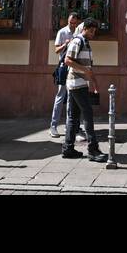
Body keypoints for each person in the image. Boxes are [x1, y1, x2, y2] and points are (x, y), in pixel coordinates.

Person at [60, 18, 108, 163]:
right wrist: (85, 71)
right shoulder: (77, 41)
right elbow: (67, 60)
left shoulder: (86, 43)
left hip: (79, 83)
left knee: (73, 117)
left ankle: (68, 148)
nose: (93, 33)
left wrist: (94, 82)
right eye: (91, 31)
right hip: (76, 83)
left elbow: (89, 68)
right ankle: (93, 150)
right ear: (84, 29)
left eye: (95, 31)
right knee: (87, 114)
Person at [50, 12, 81, 138]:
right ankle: (53, 126)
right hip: (64, 68)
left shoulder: (78, 32)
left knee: (72, 98)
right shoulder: (62, 32)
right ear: (68, 21)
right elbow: (56, 50)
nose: (72, 25)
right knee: (60, 96)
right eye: (70, 23)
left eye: (74, 23)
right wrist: (66, 44)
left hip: (74, 68)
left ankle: (71, 126)